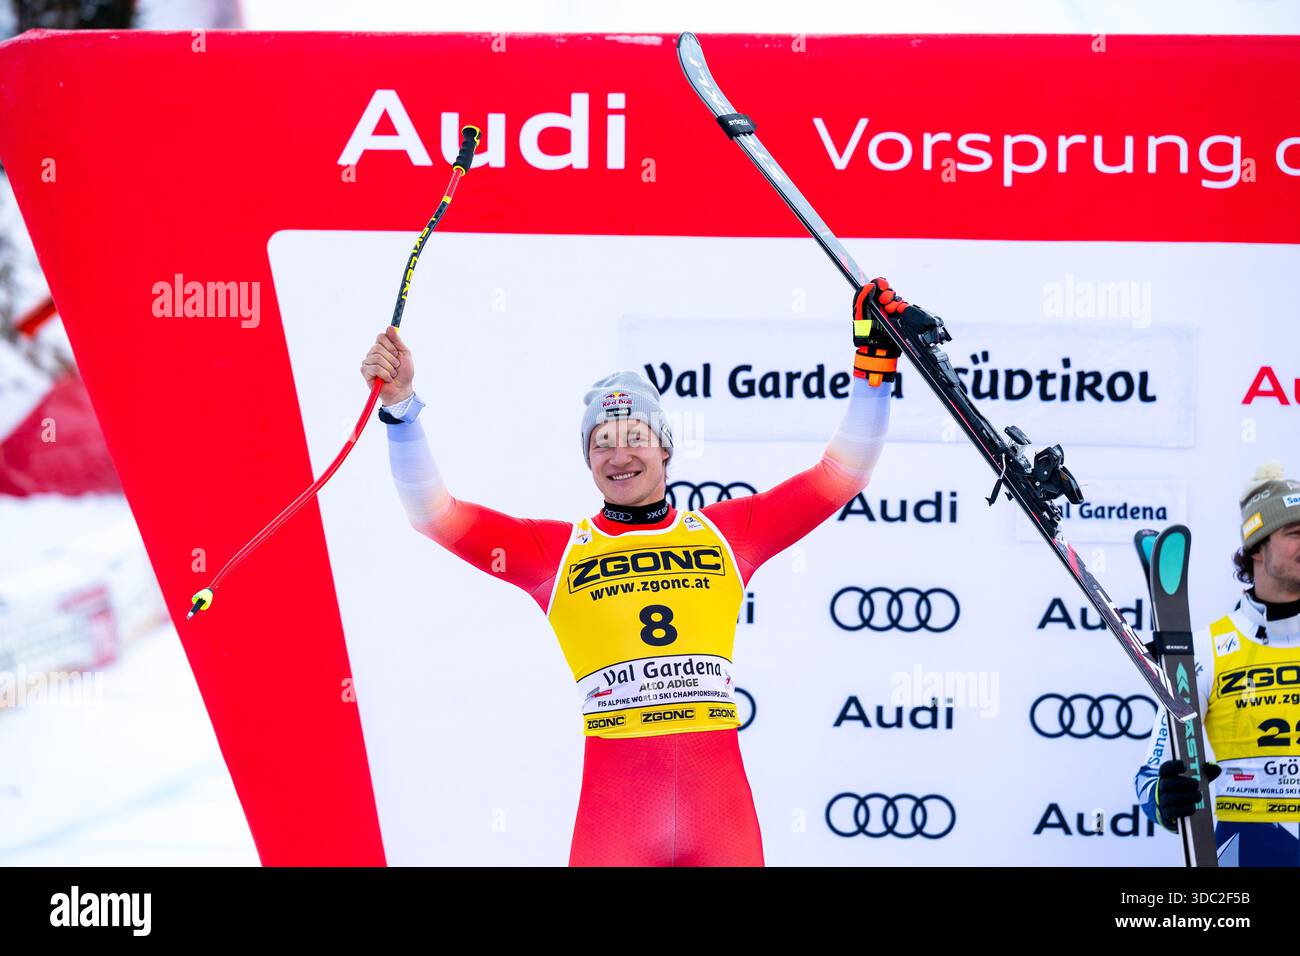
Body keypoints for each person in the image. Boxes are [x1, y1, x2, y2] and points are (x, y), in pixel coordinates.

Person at [360, 279, 908, 866]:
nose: (619, 455)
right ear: (587, 458)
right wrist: (400, 409)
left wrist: (873, 365)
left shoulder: (728, 535)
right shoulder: (554, 553)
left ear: (666, 448)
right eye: (601, 443)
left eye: (635, 437)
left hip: (718, 819)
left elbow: (842, 473)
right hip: (616, 821)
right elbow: (432, 515)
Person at [1134, 461, 1300, 865]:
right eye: (1295, 533)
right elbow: (1149, 780)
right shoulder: (1206, 650)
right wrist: (1167, 798)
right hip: (1246, 852)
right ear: (1257, 547)